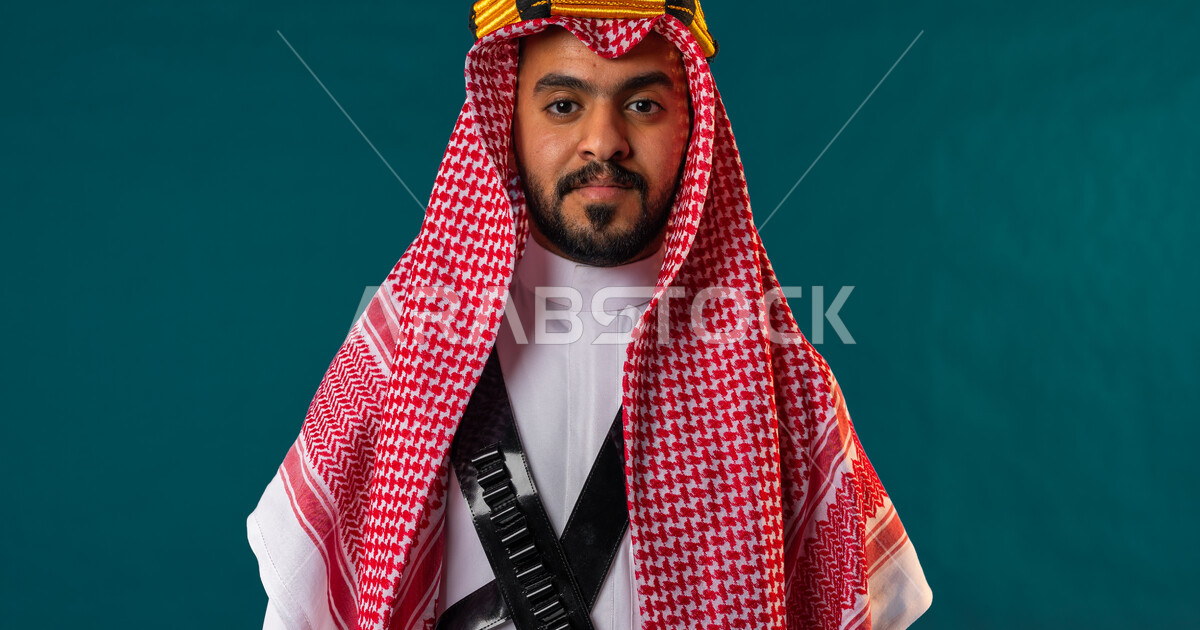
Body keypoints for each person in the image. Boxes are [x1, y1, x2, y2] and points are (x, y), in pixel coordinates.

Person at [247, 3, 933, 630]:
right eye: (564, 104)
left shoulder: (783, 384)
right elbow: (303, 613)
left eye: (641, 103)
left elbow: (866, 605)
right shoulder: (396, 358)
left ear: (692, 123)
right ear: (508, 118)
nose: (603, 140)